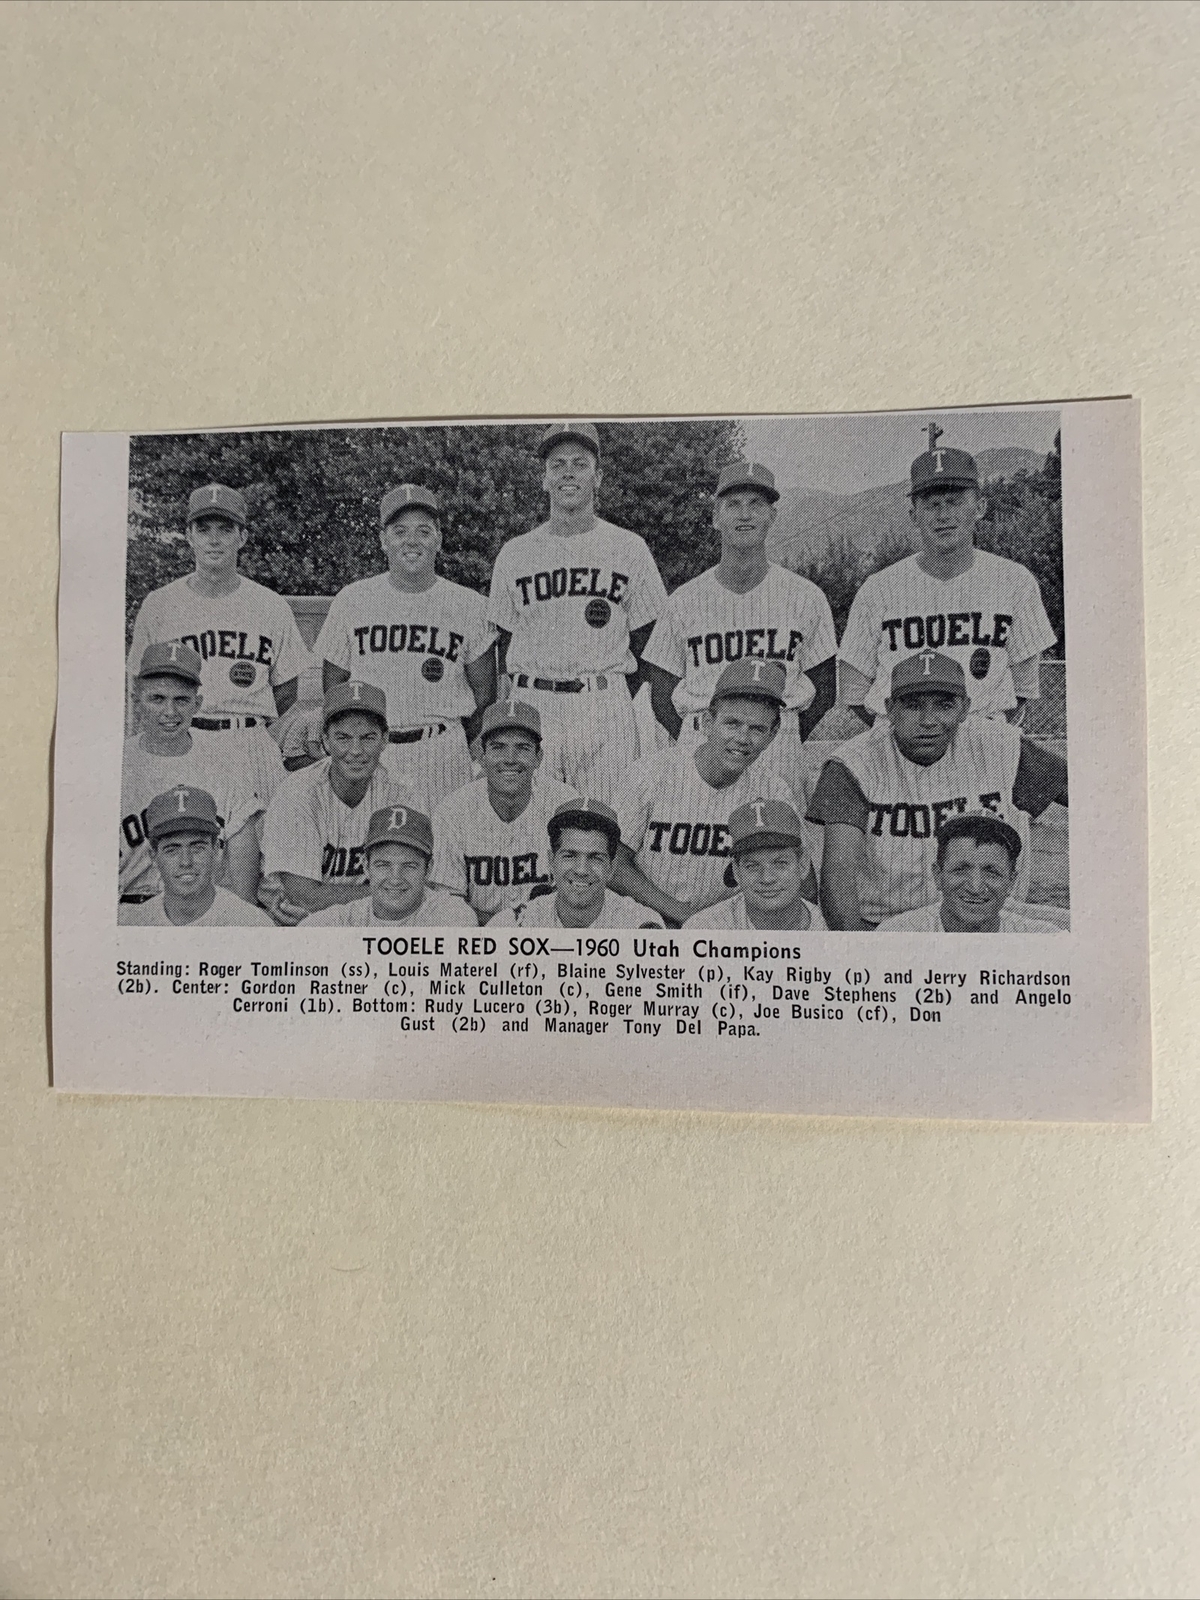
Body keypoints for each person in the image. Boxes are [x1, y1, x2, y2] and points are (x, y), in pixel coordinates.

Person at [808, 652, 1068, 929]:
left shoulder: (1001, 746)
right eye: (912, 705)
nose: (928, 720)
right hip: (887, 926)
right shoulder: (853, 763)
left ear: (965, 708)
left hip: (987, 922)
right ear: (889, 709)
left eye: (944, 705)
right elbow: (838, 883)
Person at [486, 421, 668, 805]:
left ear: (598, 477)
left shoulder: (628, 547)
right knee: (537, 828)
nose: (568, 471)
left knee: (607, 824)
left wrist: (612, 688)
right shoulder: (515, 553)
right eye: (557, 464)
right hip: (535, 701)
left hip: (604, 702)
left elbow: (650, 642)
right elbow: (503, 646)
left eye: (580, 463)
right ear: (544, 479)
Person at [837, 433, 1055, 726]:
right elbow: (854, 688)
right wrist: (904, 732)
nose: (943, 514)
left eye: (954, 501)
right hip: (899, 743)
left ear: (980, 507)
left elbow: (1024, 687)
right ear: (914, 515)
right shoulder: (878, 588)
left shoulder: (1015, 581)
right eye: (932, 504)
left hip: (982, 735)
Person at [312, 483, 496, 811]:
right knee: (374, 850)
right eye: (399, 531)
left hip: (442, 749)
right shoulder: (353, 600)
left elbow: (485, 696)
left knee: (444, 853)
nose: (411, 541)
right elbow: (334, 689)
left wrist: (455, 743)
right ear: (383, 540)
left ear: (438, 539)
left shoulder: (469, 605)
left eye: (423, 531)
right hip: (375, 750)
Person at [127, 482, 310, 805]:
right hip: (184, 737)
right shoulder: (160, 604)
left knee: (261, 845)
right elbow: (139, 684)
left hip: (250, 742)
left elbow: (287, 687)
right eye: (203, 529)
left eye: (225, 529)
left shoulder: (269, 605)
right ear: (189, 535)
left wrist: (247, 719)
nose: (214, 539)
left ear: (242, 537)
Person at [643, 460, 836, 759]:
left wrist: (783, 733)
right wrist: (698, 737)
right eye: (733, 504)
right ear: (716, 517)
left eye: (756, 504)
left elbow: (824, 688)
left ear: (772, 516)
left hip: (777, 740)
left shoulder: (806, 596)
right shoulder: (683, 600)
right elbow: (661, 695)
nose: (745, 515)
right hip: (702, 739)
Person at [610, 659, 810, 927]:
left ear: (774, 734)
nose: (742, 738)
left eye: (757, 729)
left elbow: (800, 879)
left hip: (728, 932)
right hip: (650, 922)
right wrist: (683, 915)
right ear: (707, 722)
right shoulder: (650, 774)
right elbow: (614, 863)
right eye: (732, 723)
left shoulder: (774, 791)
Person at [259, 680, 417, 923]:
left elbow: (416, 885)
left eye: (368, 737)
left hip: (367, 918)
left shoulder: (402, 794)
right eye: (343, 738)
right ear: (325, 739)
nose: (355, 750)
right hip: (292, 923)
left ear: (385, 739)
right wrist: (392, 897)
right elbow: (305, 898)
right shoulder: (297, 793)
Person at [120, 642, 263, 908]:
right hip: (131, 906)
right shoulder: (116, 763)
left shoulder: (226, 761)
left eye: (181, 700)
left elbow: (245, 887)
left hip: (205, 909)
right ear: (137, 700)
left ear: (197, 703)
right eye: (157, 699)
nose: (170, 713)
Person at [429, 699, 579, 924]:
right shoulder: (452, 812)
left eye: (522, 748)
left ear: (539, 757)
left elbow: (579, 897)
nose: (510, 759)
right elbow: (449, 911)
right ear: (481, 755)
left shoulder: (565, 805)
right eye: (498, 747)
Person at [492, 798, 664, 929]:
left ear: (611, 867)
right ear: (551, 861)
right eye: (569, 856)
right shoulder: (514, 924)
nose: (581, 870)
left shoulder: (639, 924)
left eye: (595, 857)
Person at [877, 812, 1065, 932]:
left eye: (992, 872)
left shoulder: (1043, 938)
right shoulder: (896, 934)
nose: (975, 887)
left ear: (1011, 882)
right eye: (960, 870)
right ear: (938, 876)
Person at [119, 787, 273, 926]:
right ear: (154, 856)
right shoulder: (131, 923)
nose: (186, 862)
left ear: (215, 849)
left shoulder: (252, 923)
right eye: (172, 849)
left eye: (197, 847)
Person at [301, 805, 467, 927]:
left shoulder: (451, 914)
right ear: (366, 866)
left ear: (428, 869)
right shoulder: (344, 918)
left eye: (409, 866)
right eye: (383, 865)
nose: (395, 879)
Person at [684, 799, 826, 930]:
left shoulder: (829, 928)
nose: (767, 878)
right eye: (752, 866)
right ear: (736, 872)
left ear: (802, 865)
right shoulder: (703, 928)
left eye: (780, 863)